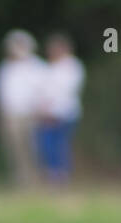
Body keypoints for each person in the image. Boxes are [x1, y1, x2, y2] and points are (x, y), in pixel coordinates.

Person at [0, 29, 46, 187]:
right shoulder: (4, 68)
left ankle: (38, 181)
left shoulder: (37, 67)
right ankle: (22, 181)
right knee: (15, 150)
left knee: (35, 150)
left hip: (32, 115)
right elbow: (1, 94)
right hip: (10, 115)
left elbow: (44, 91)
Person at [37, 34, 84, 184]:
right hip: (47, 114)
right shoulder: (50, 67)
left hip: (64, 114)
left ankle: (62, 176)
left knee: (60, 145)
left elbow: (66, 91)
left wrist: (53, 109)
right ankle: (53, 175)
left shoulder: (72, 66)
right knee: (47, 146)